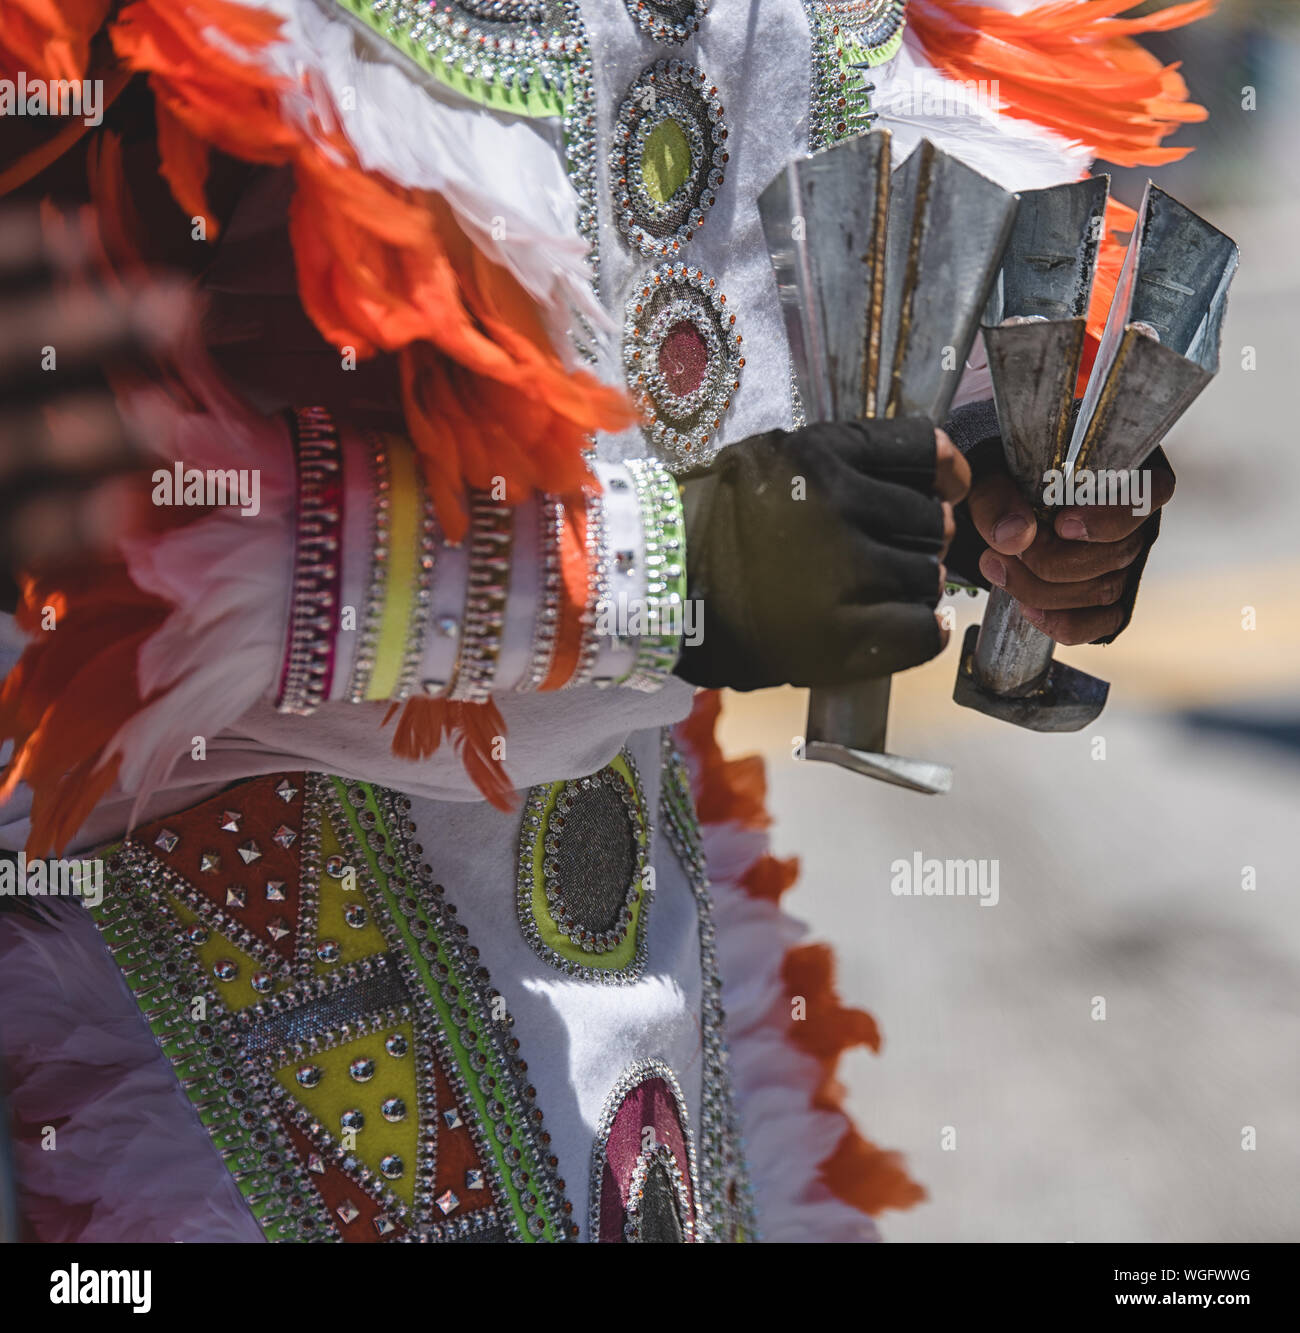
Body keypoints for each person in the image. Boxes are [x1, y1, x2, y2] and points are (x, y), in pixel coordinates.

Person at [0, 0, 1200, 1242]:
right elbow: (52, 497)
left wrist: (996, 482)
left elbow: (824, 293)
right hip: (198, 949)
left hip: (637, 932)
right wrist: (660, 570)